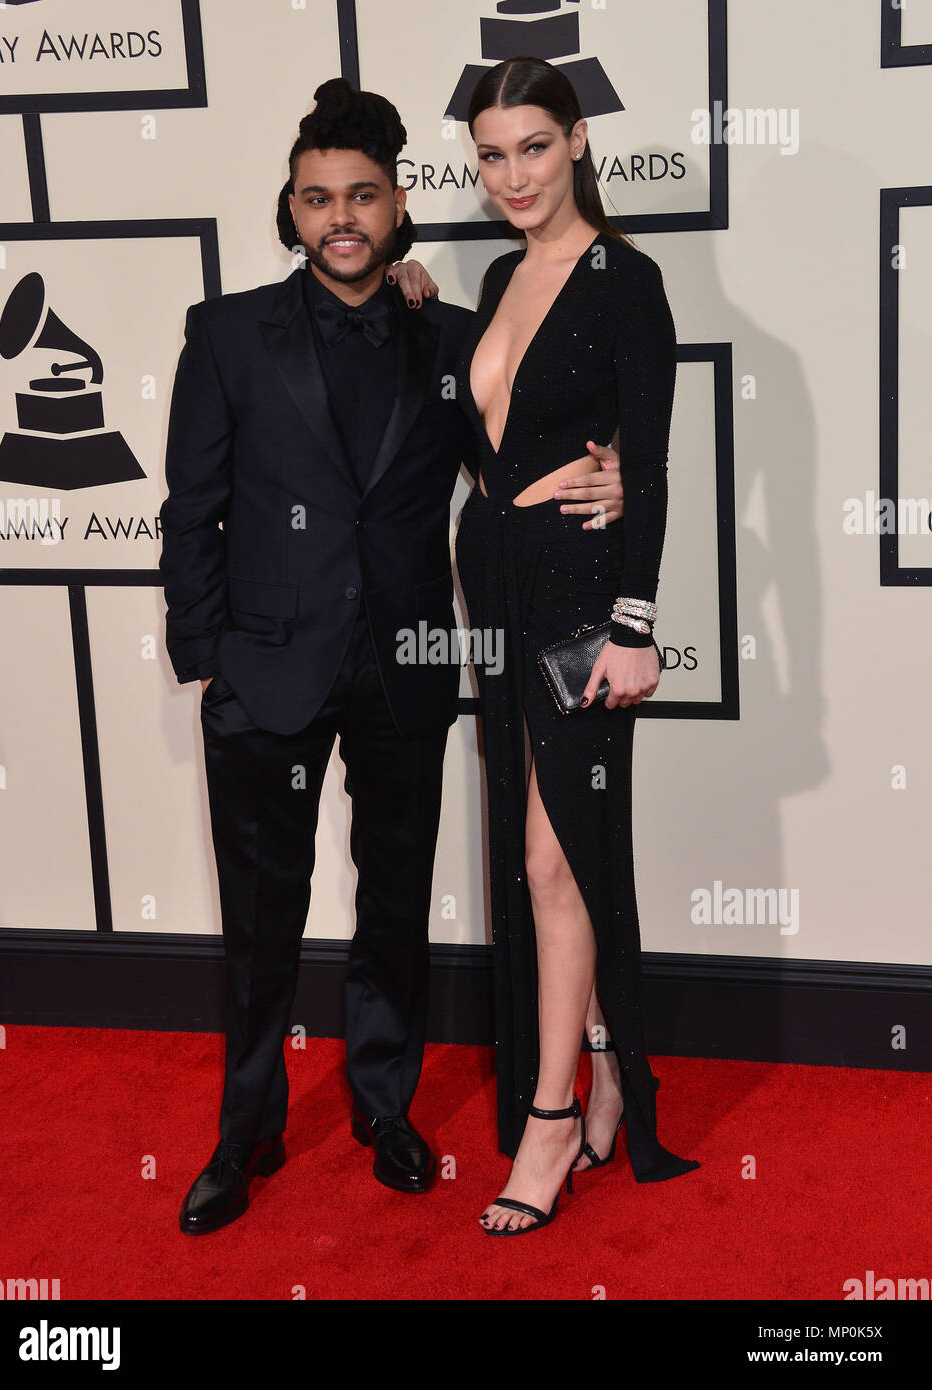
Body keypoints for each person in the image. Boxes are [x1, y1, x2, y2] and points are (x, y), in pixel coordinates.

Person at [158, 76, 626, 1235]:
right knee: (260, 922)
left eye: (362, 195)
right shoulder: (224, 332)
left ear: (398, 203)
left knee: (395, 907)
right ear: (292, 208)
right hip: (266, 670)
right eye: (318, 198)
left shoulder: (449, 335)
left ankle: (383, 1107)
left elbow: (514, 464)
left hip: (409, 664)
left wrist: (609, 476)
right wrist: (207, 657)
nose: (341, 217)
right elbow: (190, 509)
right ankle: (246, 1130)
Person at [449, 56, 701, 1234]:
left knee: (561, 863)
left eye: (534, 148)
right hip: (497, 585)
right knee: (540, 858)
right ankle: (601, 1072)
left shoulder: (627, 283)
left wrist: (638, 627)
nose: (513, 175)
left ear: (580, 140)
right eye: (493, 154)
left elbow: (643, 466)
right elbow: (490, 431)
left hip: (582, 601)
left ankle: (551, 1119)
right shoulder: (501, 274)